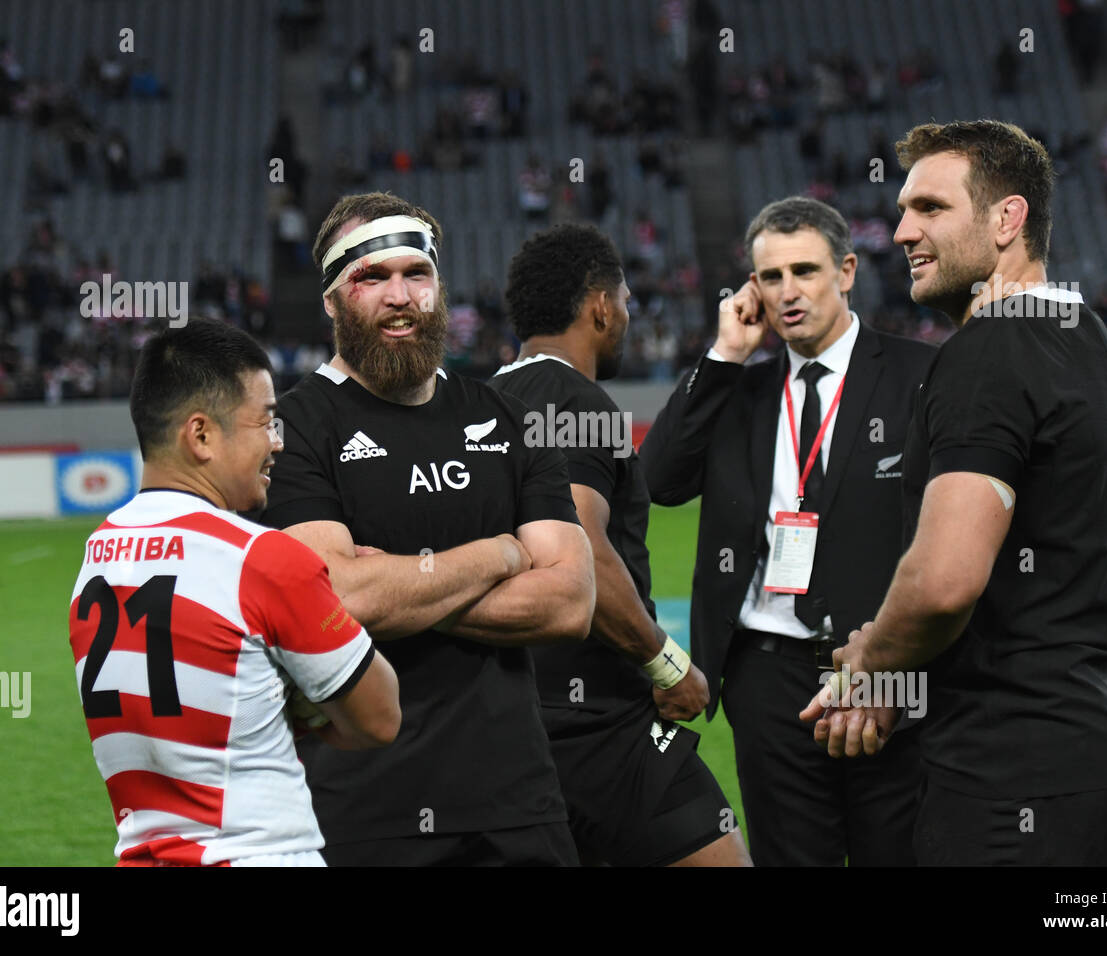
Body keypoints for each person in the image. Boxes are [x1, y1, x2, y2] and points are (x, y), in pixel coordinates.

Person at [802, 119, 1107, 866]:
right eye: (902, 210)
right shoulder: (1083, 335)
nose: (900, 232)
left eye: (929, 208)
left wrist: (869, 668)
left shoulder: (989, 349)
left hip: (1010, 774)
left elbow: (942, 583)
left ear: (1007, 218)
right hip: (1103, 757)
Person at [259, 192, 596, 866]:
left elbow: (570, 602)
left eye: (416, 273)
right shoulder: (292, 430)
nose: (399, 296)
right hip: (364, 808)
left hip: (518, 804)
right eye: (371, 278)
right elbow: (336, 601)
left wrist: (401, 587)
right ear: (331, 300)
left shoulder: (508, 418)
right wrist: (498, 554)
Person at [640, 196, 935, 865]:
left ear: (848, 270)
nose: (788, 292)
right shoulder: (737, 389)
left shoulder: (920, 377)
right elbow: (658, 480)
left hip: (880, 673)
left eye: (805, 270)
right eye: (770, 277)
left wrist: (895, 671)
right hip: (765, 677)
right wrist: (723, 354)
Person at [68, 318, 401, 867]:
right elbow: (379, 717)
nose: (277, 443)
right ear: (200, 435)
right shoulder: (261, 558)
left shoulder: (96, 560)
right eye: (266, 422)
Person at [490, 224, 751, 866]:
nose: (628, 317)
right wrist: (665, 663)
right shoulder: (579, 400)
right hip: (601, 726)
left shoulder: (484, 400)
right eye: (627, 302)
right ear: (599, 306)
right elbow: (578, 548)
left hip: (510, 722)